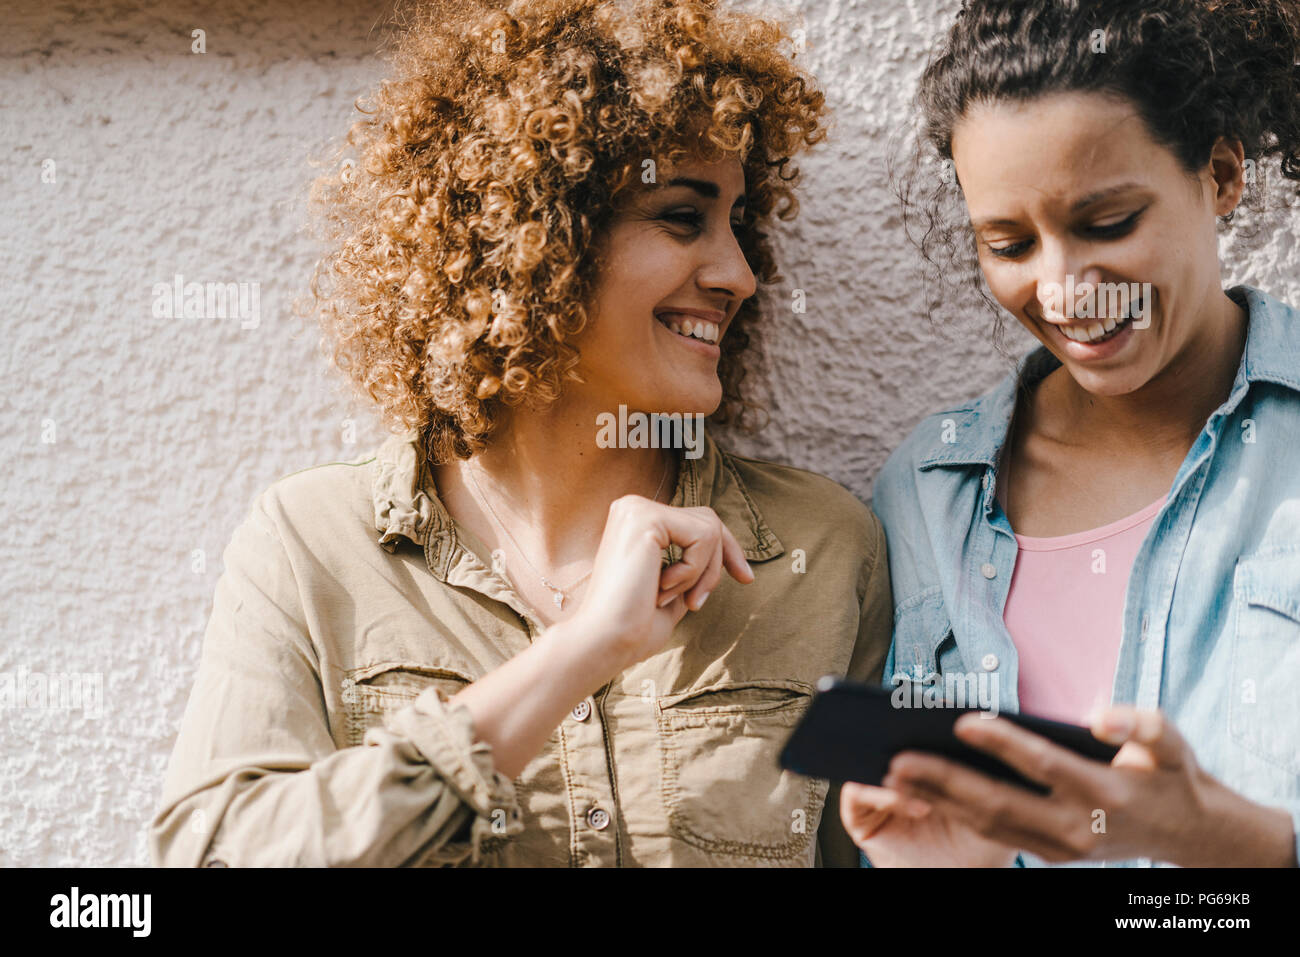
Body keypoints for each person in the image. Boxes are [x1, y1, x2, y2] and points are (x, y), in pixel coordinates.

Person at [150, 0, 892, 868]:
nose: (738, 274)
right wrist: (578, 655)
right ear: (537, 235)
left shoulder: (824, 552)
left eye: (737, 223)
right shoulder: (314, 546)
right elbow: (209, 858)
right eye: (682, 217)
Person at [842, 0, 1300, 867]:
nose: (1063, 292)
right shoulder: (930, 494)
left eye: (1107, 224)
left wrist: (1232, 848)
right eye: (1010, 244)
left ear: (1222, 172)